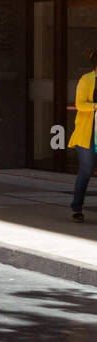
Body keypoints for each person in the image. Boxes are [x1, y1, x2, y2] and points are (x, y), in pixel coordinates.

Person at [69, 47, 97, 222]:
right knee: (86, 170)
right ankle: (77, 207)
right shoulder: (86, 80)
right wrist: (95, 106)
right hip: (87, 133)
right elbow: (80, 104)